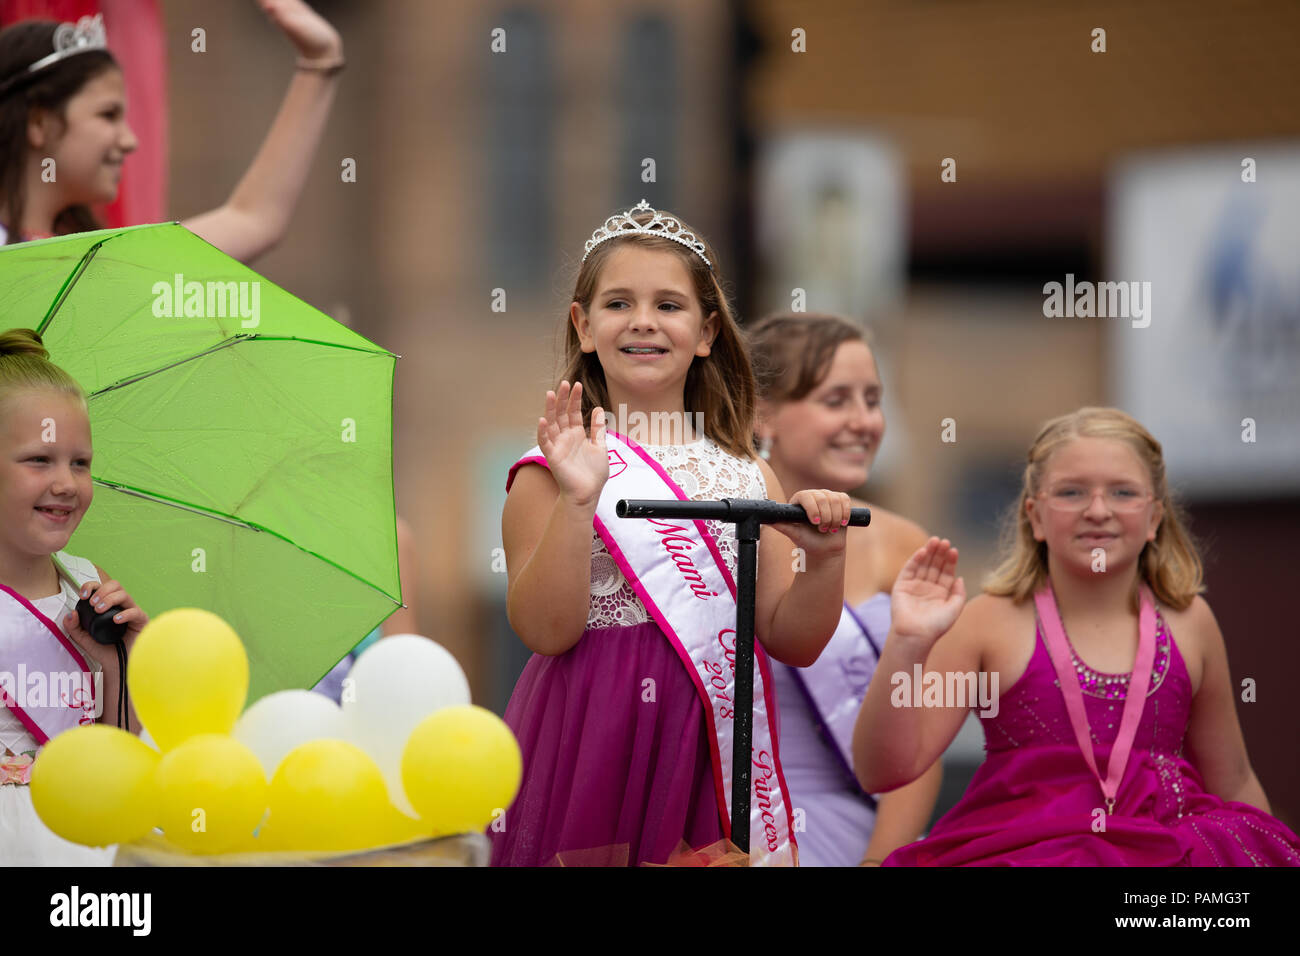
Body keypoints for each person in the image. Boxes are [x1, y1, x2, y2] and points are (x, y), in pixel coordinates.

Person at [492, 201, 852, 866]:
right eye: (619, 303)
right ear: (585, 324)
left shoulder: (750, 474)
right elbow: (546, 631)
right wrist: (578, 500)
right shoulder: (550, 469)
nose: (643, 322)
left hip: (711, 745)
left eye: (669, 304)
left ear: (708, 330)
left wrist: (825, 561)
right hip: (593, 733)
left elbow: (792, 639)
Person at [853, 407, 1300, 865]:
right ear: (1036, 516)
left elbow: (1236, 781)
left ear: (1154, 518)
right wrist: (907, 641)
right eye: (1071, 492)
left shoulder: (1191, 621)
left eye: (1123, 492)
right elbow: (882, 770)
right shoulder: (986, 621)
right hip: (1027, 849)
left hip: (1172, 848)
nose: (1098, 510)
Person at [747, 313, 942, 867]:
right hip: (735, 828)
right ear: (764, 413)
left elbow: (920, 737)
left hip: (869, 837)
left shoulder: (903, 543)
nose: (864, 421)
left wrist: (880, 861)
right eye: (836, 400)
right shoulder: (718, 536)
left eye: (873, 399)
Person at [0, 0, 343, 263]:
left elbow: (253, 220)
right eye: (108, 115)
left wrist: (319, 63)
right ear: (38, 122)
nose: (130, 141)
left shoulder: (103, 265)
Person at [0, 327, 149, 865]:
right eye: (39, 460)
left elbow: (119, 752)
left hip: (84, 836)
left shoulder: (87, 584)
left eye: (80, 462)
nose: (66, 483)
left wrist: (121, 663)